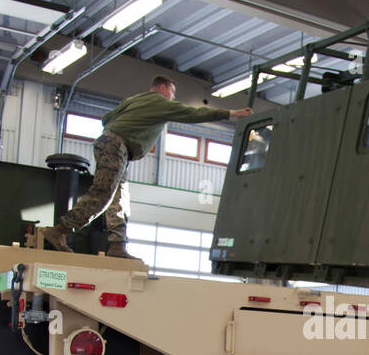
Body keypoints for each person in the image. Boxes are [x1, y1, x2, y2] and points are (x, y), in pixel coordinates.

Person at [42, 76, 253, 257]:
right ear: (162, 89)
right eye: (172, 92)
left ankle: (117, 245)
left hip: (113, 144)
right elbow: (194, 114)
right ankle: (61, 230)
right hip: (117, 145)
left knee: (120, 200)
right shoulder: (160, 103)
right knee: (103, 194)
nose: (173, 97)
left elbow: (106, 118)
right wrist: (231, 114)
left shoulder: (133, 100)